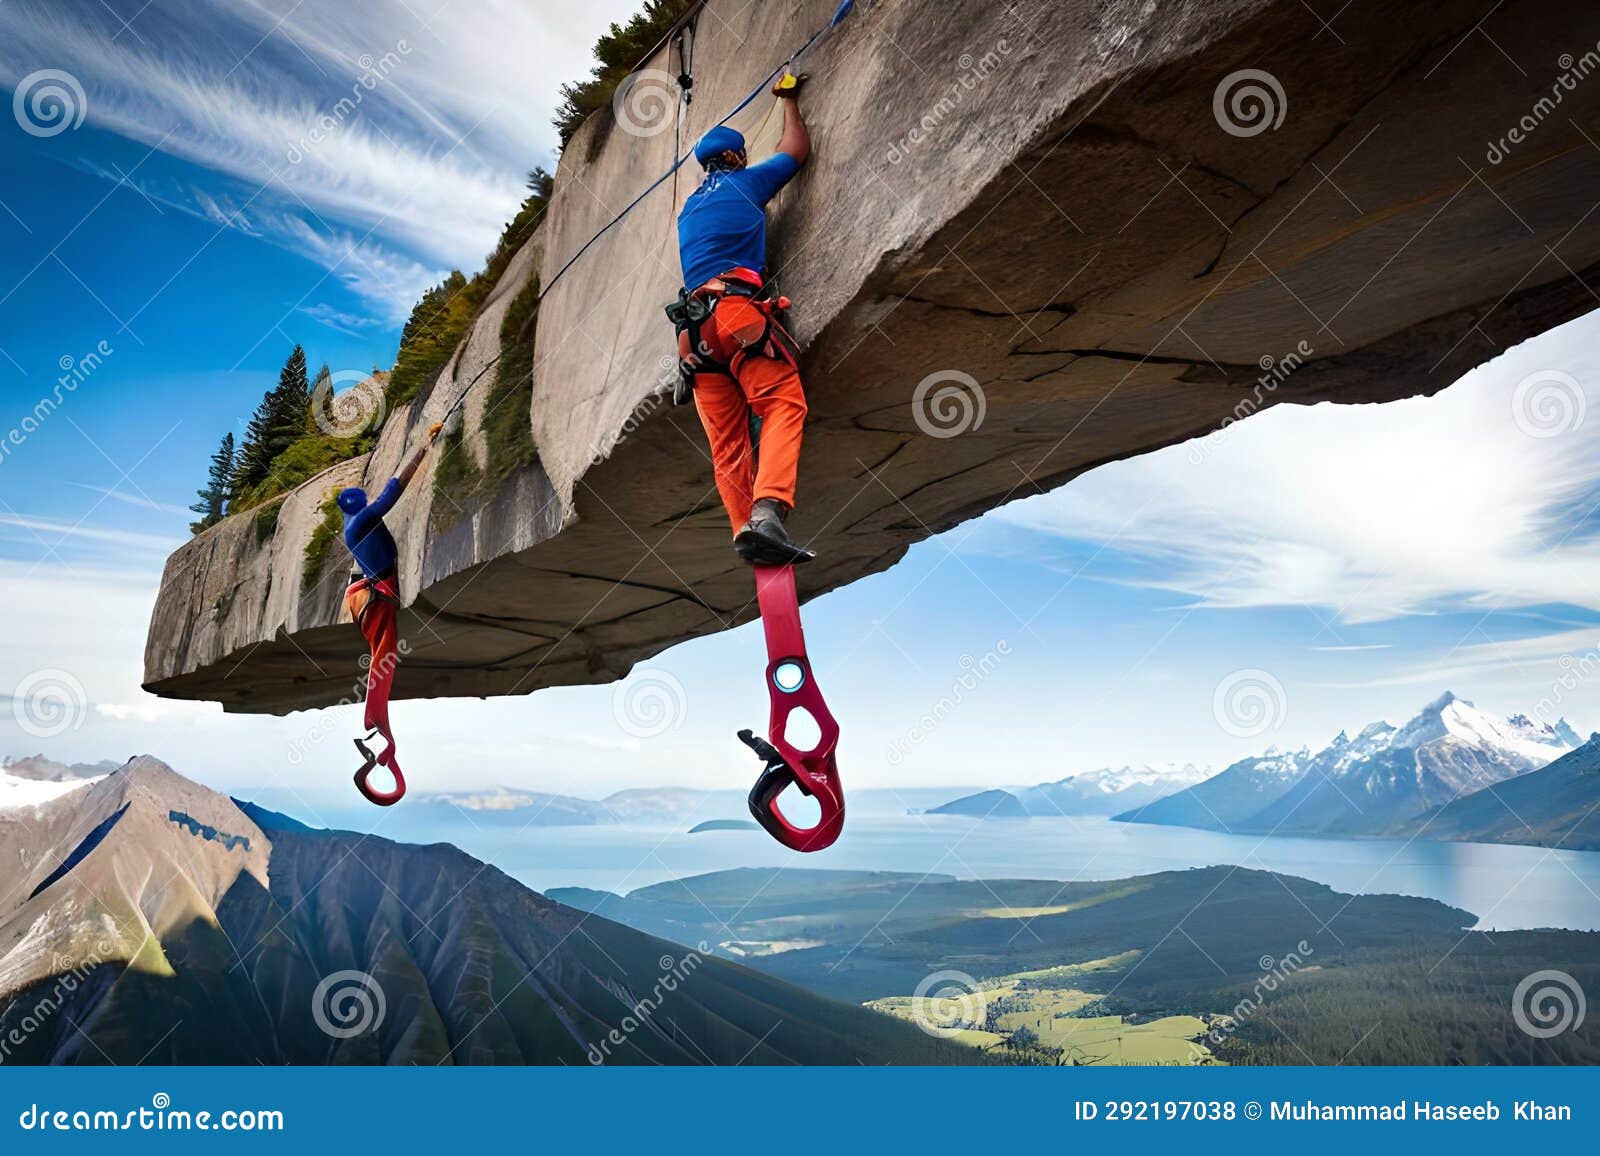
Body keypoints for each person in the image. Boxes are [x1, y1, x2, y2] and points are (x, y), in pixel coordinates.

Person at [672, 73, 814, 566]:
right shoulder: (744, 183)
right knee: (782, 403)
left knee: (728, 445)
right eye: (743, 155)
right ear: (735, 157)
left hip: (693, 337)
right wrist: (788, 100)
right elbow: (795, 150)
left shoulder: (689, 208)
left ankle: (743, 531)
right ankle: (767, 513)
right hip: (735, 315)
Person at [338, 421, 442, 802]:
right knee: (383, 660)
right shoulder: (362, 520)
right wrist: (422, 448)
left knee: (384, 658)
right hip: (373, 597)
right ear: (358, 504)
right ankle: (376, 730)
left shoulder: (352, 524)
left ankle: (379, 733)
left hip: (368, 595)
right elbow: (391, 493)